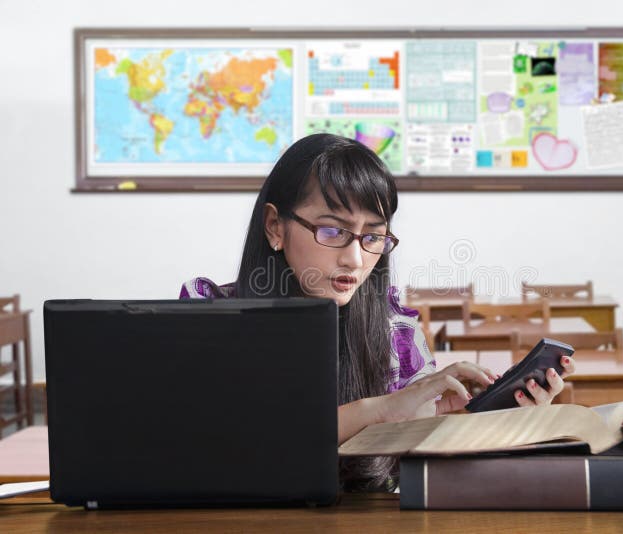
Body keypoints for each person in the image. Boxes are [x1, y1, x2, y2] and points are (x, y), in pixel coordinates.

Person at [180, 133, 575, 490]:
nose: (355, 259)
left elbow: (417, 467)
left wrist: (491, 419)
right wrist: (382, 409)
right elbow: (223, 445)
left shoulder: (395, 330)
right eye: (332, 231)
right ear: (275, 227)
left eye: (373, 236)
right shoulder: (209, 317)